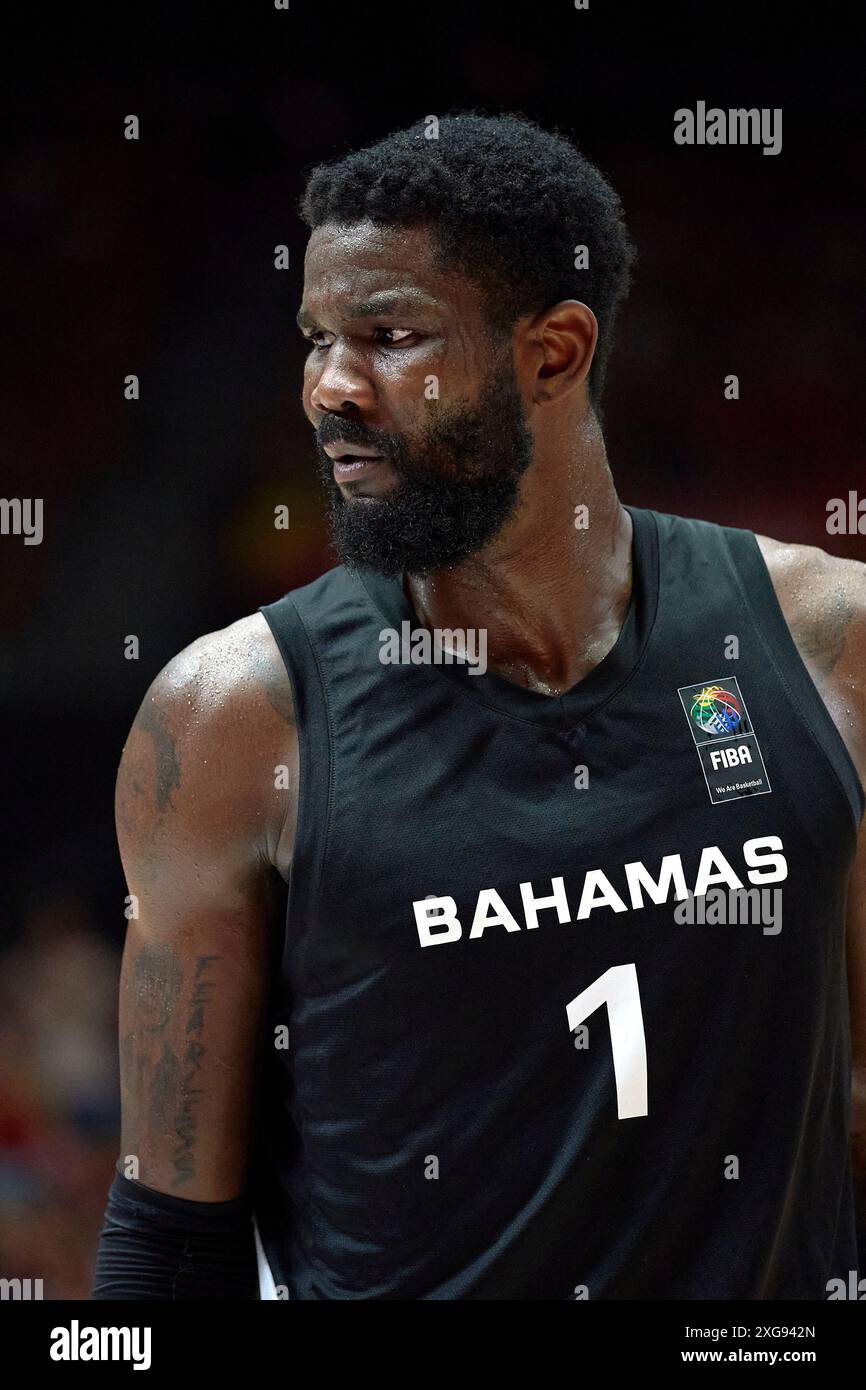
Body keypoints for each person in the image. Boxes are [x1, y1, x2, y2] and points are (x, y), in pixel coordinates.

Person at [93, 112, 866, 1300]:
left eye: (390, 337)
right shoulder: (235, 720)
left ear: (551, 353)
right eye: (315, 341)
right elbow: (167, 1239)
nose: (329, 390)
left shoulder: (830, 645)